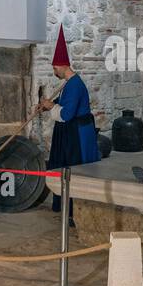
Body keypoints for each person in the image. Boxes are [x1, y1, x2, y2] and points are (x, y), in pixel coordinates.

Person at [38, 25, 99, 219]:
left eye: (55, 68)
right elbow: (63, 103)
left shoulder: (74, 84)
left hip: (76, 136)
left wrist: (49, 107)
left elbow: (67, 114)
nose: (54, 71)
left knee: (73, 170)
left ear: (63, 66)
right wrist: (50, 104)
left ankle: (74, 212)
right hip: (69, 133)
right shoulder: (68, 83)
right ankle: (65, 209)